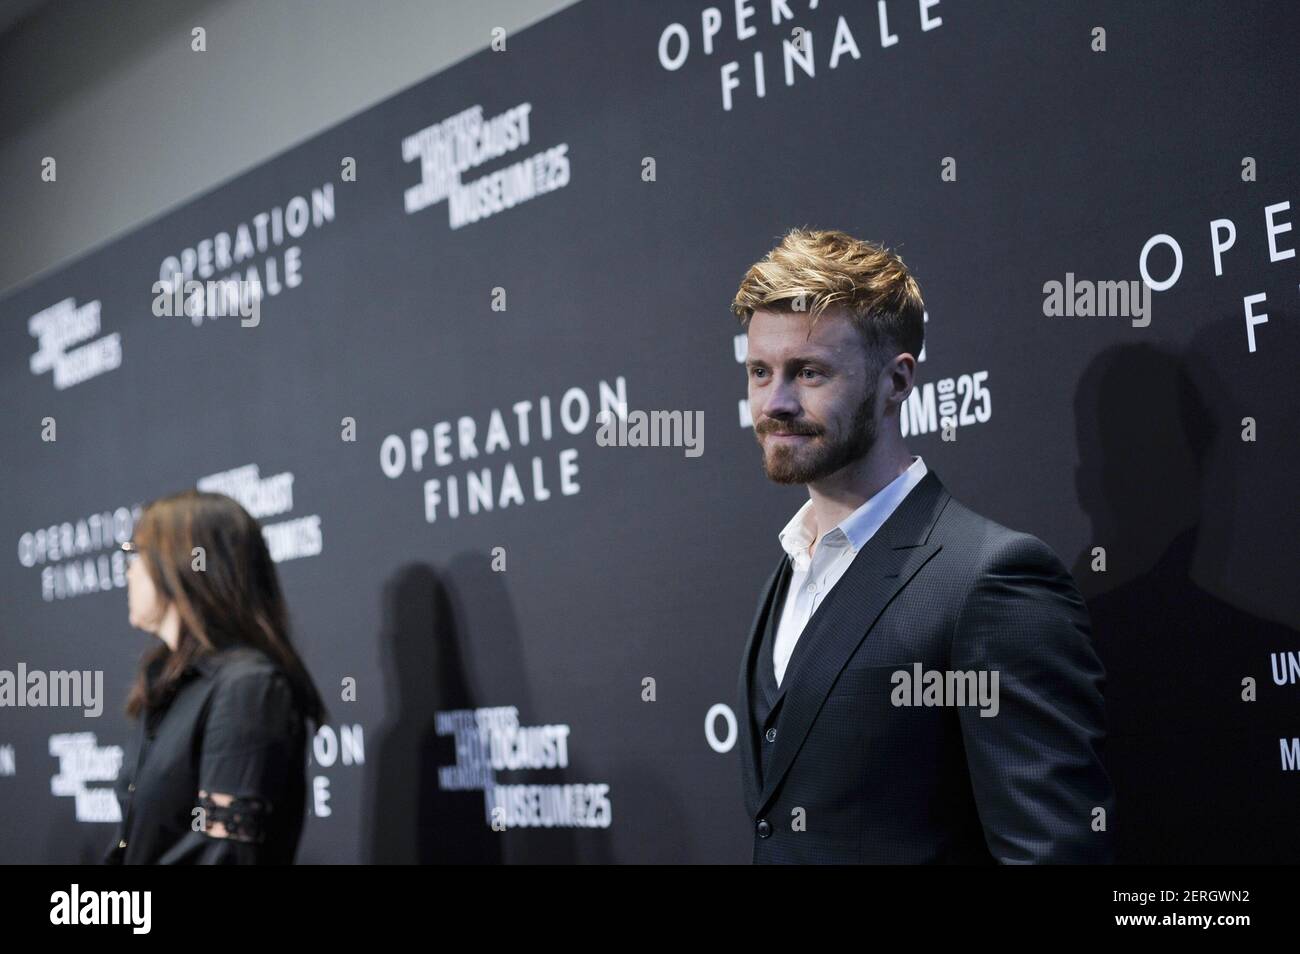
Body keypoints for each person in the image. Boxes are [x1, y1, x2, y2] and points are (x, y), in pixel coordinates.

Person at [731, 228, 1115, 863]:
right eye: (759, 372)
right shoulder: (791, 568)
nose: (775, 402)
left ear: (897, 381)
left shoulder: (992, 581)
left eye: (809, 372)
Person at [103, 489, 325, 864]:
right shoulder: (168, 685)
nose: (130, 569)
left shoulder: (248, 688)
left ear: (183, 566)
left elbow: (222, 854)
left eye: (139, 554)